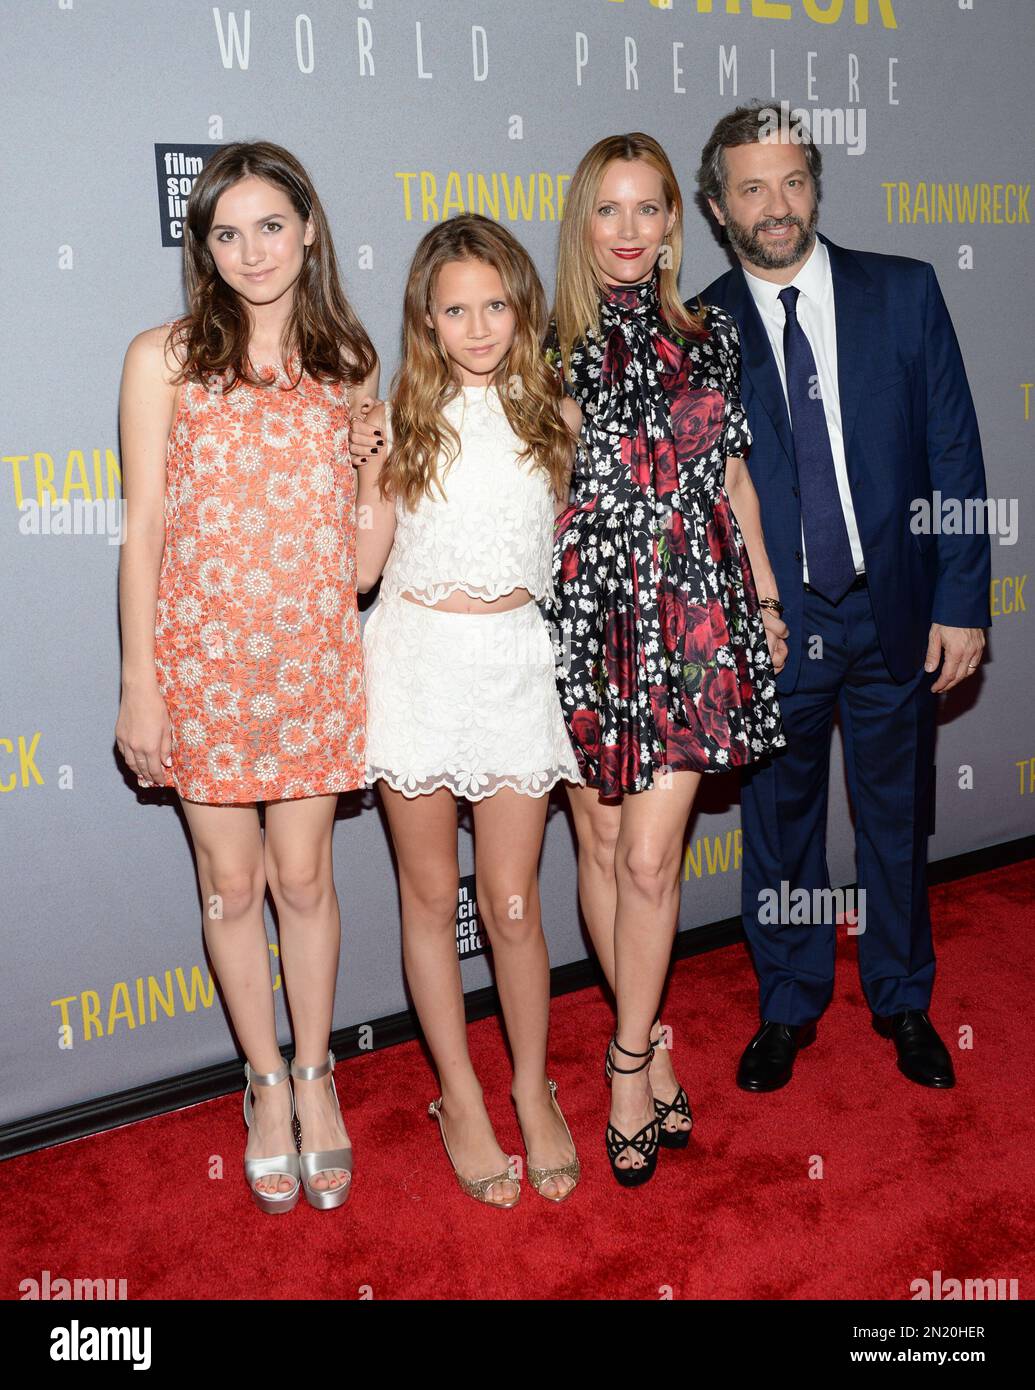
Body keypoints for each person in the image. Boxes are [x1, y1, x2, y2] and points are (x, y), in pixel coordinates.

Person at [695, 102, 991, 1093]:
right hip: (779, 627)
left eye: (792, 182)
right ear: (716, 204)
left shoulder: (902, 294)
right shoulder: (698, 329)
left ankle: (903, 997)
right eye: (752, 189)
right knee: (780, 824)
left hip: (893, 608)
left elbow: (954, 453)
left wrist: (963, 598)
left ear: (815, 185)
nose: (776, 207)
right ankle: (789, 1001)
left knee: (895, 817)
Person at [115, 141, 377, 1213]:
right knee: (231, 887)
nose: (252, 250)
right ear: (203, 245)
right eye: (227, 231)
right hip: (204, 667)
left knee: (305, 880)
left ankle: (317, 1076)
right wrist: (142, 680)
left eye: (272, 225)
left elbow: (361, 561)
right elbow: (141, 532)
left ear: (309, 230)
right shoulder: (162, 357)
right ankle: (262, 1085)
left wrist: (382, 469)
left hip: (313, 659)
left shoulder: (350, 361)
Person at [543, 133, 787, 1186]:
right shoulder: (543, 343)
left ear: (676, 224)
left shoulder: (715, 334)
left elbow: (735, 478)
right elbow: (536, 490)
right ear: (582, 222)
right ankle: (654, 1029)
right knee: (598, 854)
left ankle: (628, 1059)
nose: (631, 230)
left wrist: (766, 597)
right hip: (589, 617)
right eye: (611, 209)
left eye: (650, 210)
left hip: (694, 617)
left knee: (649, 859)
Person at [348, 213, 583, 1206]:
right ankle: (460, 1095)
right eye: (456, 309)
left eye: (495, 305)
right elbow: (361, 568)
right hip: (412, 663)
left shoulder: (557, 418)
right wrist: (355, 461)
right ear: (426, 318)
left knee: (515, 902)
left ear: (521, 307)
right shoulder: (395, 423)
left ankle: (532, 1089)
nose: (479, 326)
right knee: (428, 897)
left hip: (513, 666)